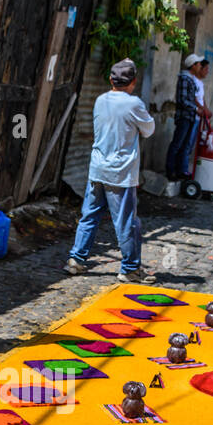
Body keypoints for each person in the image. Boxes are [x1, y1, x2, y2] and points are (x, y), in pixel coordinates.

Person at [64, 59, 154, 284]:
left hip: (97, 169)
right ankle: (130, 269)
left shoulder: (100, 100)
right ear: (133, 82)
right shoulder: (134, 104)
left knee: (89, 216)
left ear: (111, 80)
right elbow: (149, 129)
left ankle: (76, 260)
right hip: (120, 173)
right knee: (126, 222)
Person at [166, 53, 209, 180]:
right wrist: (196, 109)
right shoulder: (185, 79)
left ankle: (180, 171)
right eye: (199, 64)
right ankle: (171, 170)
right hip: (184, 116)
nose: (200, 66)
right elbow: (183, 100)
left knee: (184, 144)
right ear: (193, 66)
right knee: (177, 144)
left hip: (189, 116)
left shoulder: (190, 79)